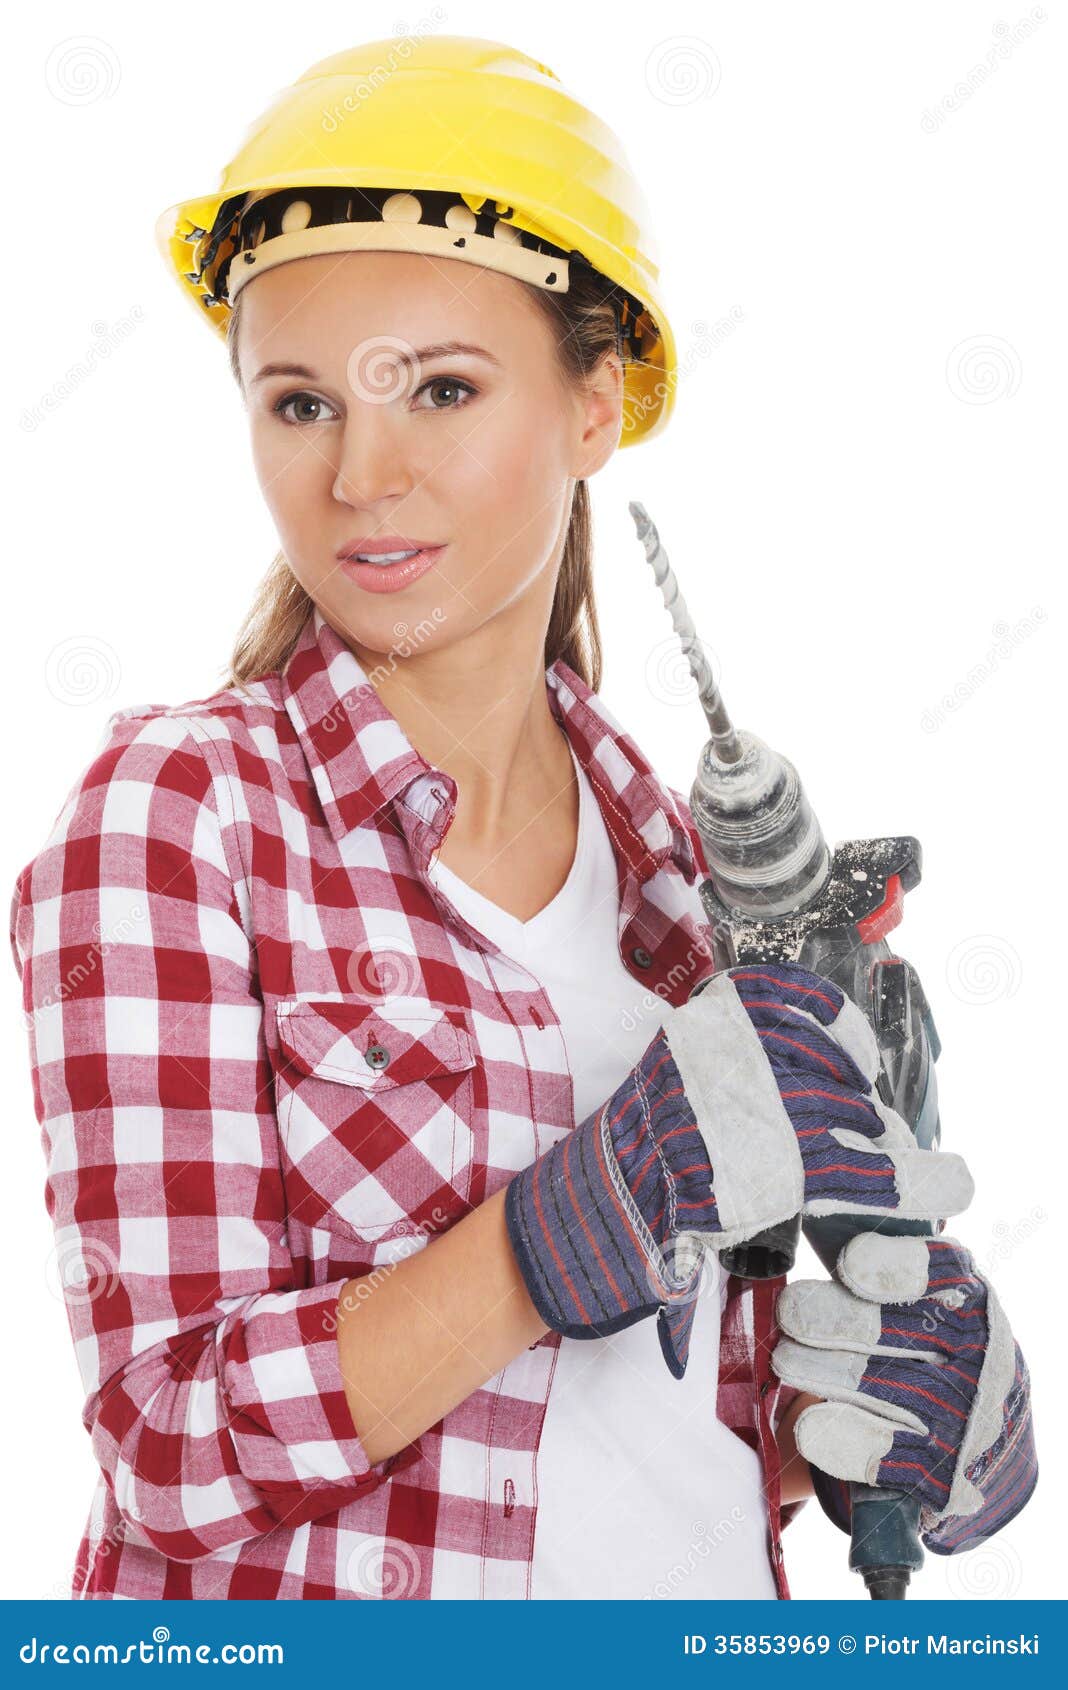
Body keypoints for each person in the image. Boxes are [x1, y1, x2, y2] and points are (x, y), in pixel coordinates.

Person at [9, 34, 1035, 1602]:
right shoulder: (181, 821)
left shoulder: (694, 891)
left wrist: (929, 1419)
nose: (363, 471)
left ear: (596, 405)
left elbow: (711, 1419)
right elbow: (167, 1442)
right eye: (298, 403)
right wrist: (558, 1234)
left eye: (442, 387)